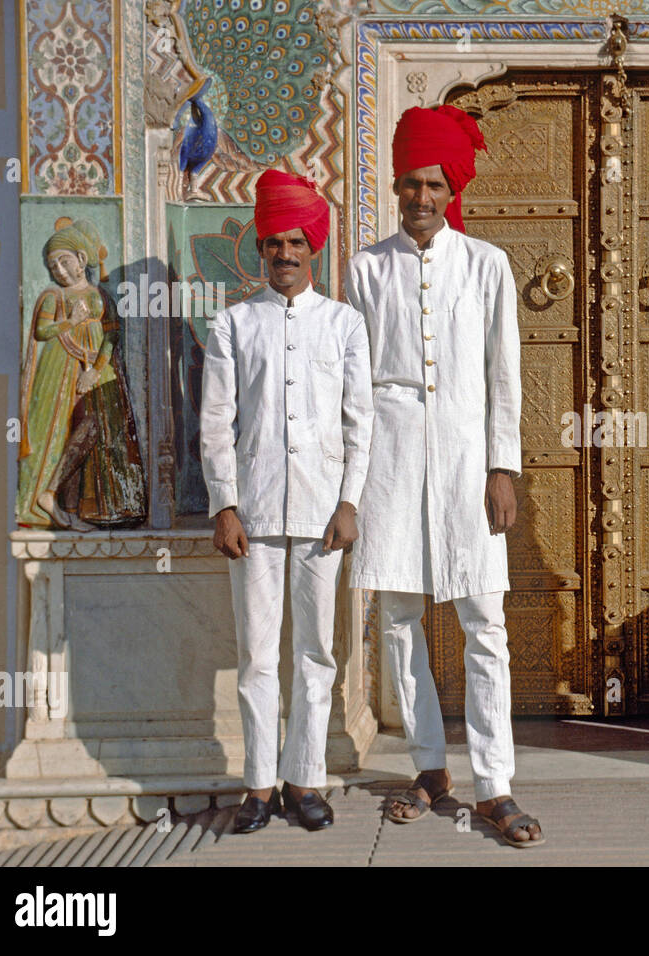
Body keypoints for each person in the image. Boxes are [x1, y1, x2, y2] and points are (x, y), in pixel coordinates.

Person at [345, 105, 542, 848]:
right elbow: (355, 382)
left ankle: (495, 785)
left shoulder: (486, 263)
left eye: (432, 184)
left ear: (450, 189)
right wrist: (353, 484)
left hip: (466, 463)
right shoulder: (367, 268)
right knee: (397, 617)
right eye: (408, 185)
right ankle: (429, 769)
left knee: (483, 622)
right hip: (390, 463)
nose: (420, 198)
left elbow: (503, 376)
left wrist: (502, 467)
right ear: (396, 189)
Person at [200, 170, 373, 834]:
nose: (285, 255)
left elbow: (361, 423)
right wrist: (225, 506)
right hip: (256, 517)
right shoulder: (235, 324)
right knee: (257, 656)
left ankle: (306, 781)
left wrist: (350, 502)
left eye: (296, 244)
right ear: (260, 250)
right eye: (273, 244)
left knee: (316, 653)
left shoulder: (344, 325)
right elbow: (217, 423)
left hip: (324, 515)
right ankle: (258, 785)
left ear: (314, 248)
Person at [17, 217, 146, 530]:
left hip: (97, 373)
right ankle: (47, 499)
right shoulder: (53, 297)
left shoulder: (102, 297)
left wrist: (96, 371)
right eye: (53, 266)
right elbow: (43, 331)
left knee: (93, 429)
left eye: (64, 261)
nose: (59, 271)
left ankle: (63, 499)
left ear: (82, 260)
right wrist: (72, 321)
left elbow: (112, 335)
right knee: (59, 430)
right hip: (58, 369)